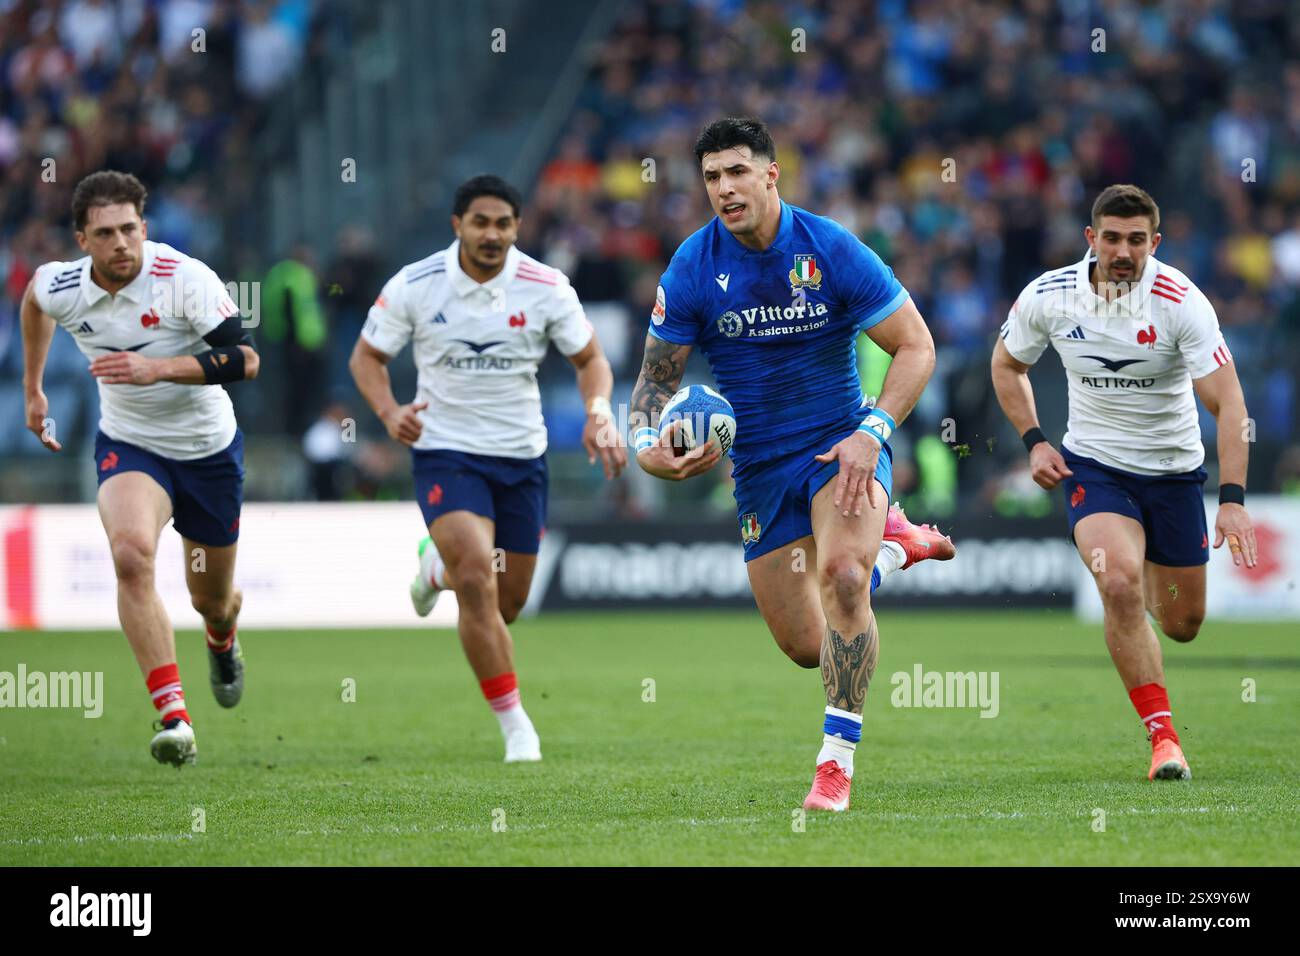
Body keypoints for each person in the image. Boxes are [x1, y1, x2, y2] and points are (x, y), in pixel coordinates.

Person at [628, 118, 953, 812]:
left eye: (738, 172)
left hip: (842, 449)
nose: (724, 188)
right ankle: (895, 546)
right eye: (712, 177)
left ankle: (834, 765)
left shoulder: (829, 248)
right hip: (758, 471)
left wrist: (874, 429)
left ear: (772, 174)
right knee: (807, 645)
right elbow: (651, 389)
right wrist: (647, 451)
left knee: (841, 579)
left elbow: (917, 346)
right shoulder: (691, 266)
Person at [350, 174, 626, 763]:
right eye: (481, 222)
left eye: (504, 223)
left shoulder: (546, 285)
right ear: (457, 225)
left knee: (504, 603)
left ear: (517, 227)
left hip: (522, 456)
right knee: (477, 573)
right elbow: (367, 357)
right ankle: (516, 726)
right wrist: (388, 410)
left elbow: (591, 359)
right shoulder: (416, 285)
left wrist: (598, 410)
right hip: (446, 450)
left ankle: (435, 571)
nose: (493, 234)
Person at [991, 183, 1257, 781]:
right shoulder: (1050, 295)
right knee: (1115, 581)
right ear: (1092, 239)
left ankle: (1141, 614)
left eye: (1136, 240)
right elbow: (1007, 365)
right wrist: (1035, 441)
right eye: (1111, 237)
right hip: (1096, 468)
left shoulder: (1180, 301)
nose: (1123, 251)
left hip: (1174, 474)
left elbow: (1231, 404)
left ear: (1154, 243)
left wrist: (1233, 501)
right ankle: (1164, 738)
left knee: (1183, 623)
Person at [20, 170, 258, 767]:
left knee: (212, 599)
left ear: (145, 228)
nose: (121, 243)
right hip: (131, 445)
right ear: (82, 240)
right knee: (130, 555)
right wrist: (33, 389)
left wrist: (163, 368)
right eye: (105, 233)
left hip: (207, 451)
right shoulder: (63, 284)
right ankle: (174, 713)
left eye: (130, 229)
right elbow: (32, 302)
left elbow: (246, 358)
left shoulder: (184, 278)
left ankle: (222, 638)